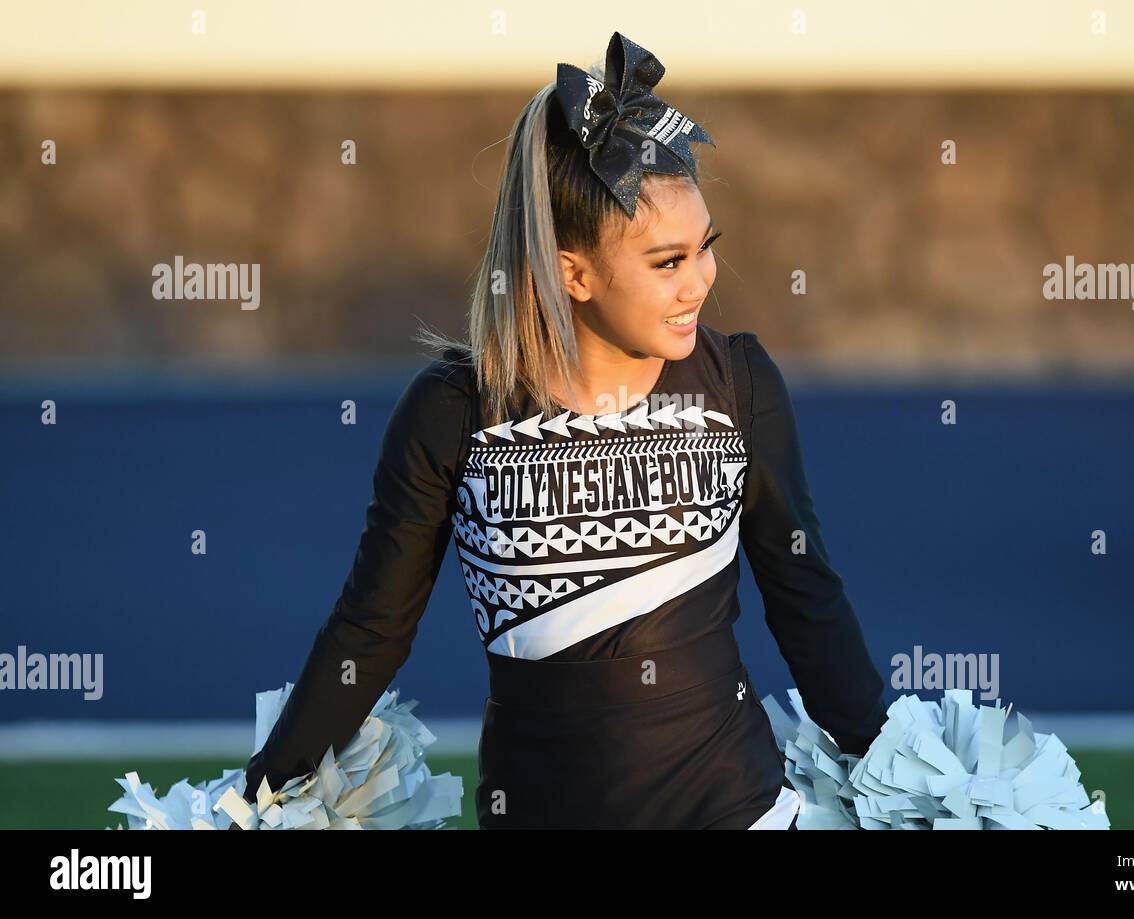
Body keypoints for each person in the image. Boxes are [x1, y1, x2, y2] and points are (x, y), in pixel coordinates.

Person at [236, 31, 886, 830]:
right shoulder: (454, 413)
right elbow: (370, 632)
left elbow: (807, 604)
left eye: (705, 249)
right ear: (572, 271)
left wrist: (903, 779)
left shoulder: (740, 384)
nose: (700, 282)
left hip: (741, 812)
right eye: (667, 261)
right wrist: (254, 799)